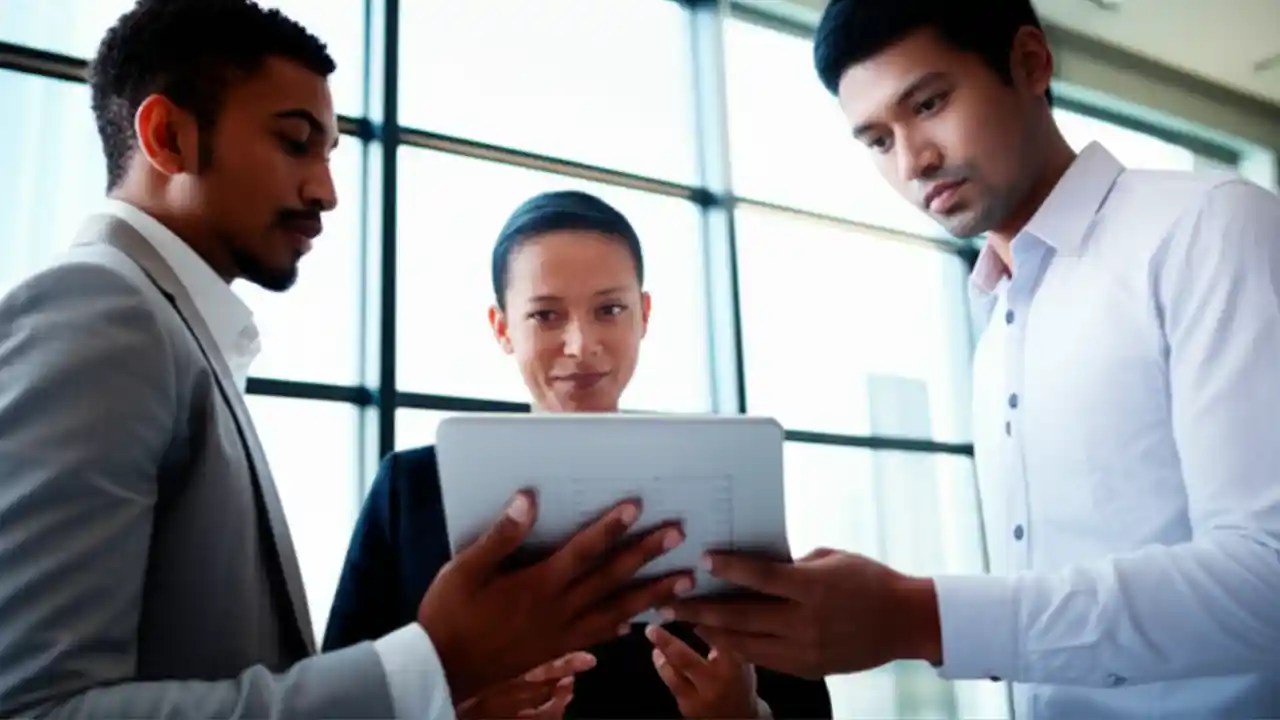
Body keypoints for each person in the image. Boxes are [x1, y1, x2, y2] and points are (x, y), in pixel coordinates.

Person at [0, 2, 691, 718]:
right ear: (168, 136)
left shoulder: (166, 331)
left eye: (328, 154)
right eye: (295, 143)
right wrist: (438, 661)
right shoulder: (98, 312)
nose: (326, 191)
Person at [668, 0, 1280, 718]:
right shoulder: (997, 318)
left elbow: (1266, 573)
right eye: (875, 140)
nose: (912, 160)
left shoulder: (1208, 226)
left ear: (1029, 63)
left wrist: (915, 615)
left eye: (928, 103)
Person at [324, 190, 833, 719]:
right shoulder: (413, 492)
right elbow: (330, 707)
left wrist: (744, 716)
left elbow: (806, 706)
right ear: (503, 329)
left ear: (644, 314)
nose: (580, 344)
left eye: (609, 309)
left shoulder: (719, 476)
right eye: (545, 316)